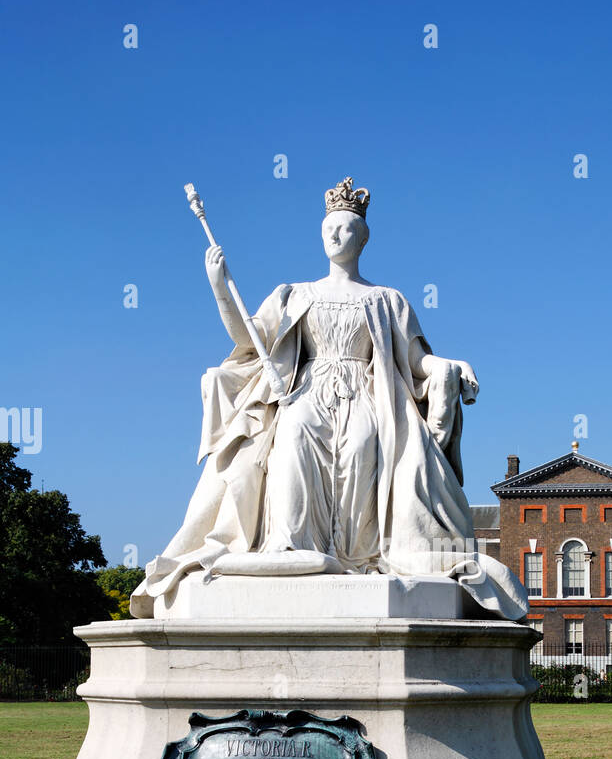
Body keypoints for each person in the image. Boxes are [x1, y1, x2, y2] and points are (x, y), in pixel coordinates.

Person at [130, 178, 526, 620]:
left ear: (363, 236)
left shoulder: (387, 299)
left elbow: (417, 361)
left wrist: (450, 365)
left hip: (366, 394)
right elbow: (248, 338)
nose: (334, 235)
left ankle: (355, 558)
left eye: (344, 228)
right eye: (328, 229)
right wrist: (219, 287)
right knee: (293, 437)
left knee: (362, 445)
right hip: (305, 391)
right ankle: (291, 547)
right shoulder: (295, 293)